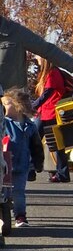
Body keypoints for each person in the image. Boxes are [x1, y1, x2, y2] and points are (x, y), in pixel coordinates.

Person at [0, 17, 73, 178]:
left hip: (10, 101)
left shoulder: (14, 32)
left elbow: (46, 49)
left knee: (16, 144)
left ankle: (21, 176)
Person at [31, 59, 73, 183]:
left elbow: (47, 93)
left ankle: (34, 169)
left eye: (38, 57)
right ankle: (60, 173)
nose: (36, 59)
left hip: (50, 113)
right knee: (44, 142)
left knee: (40, 141)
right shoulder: (49, 73)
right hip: (45, 112)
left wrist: (33, 105)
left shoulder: (52, 73)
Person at [2, 88, 37, 227]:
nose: (3, 107)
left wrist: (36, 164)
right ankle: (3, 215)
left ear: (18, 106)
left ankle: (20, 216)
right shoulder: (3, 122)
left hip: (22, 165)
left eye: (6, 104)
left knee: (18, 192)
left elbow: (36, 147)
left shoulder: (30, 126)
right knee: (3, 192)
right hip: (4, 164)